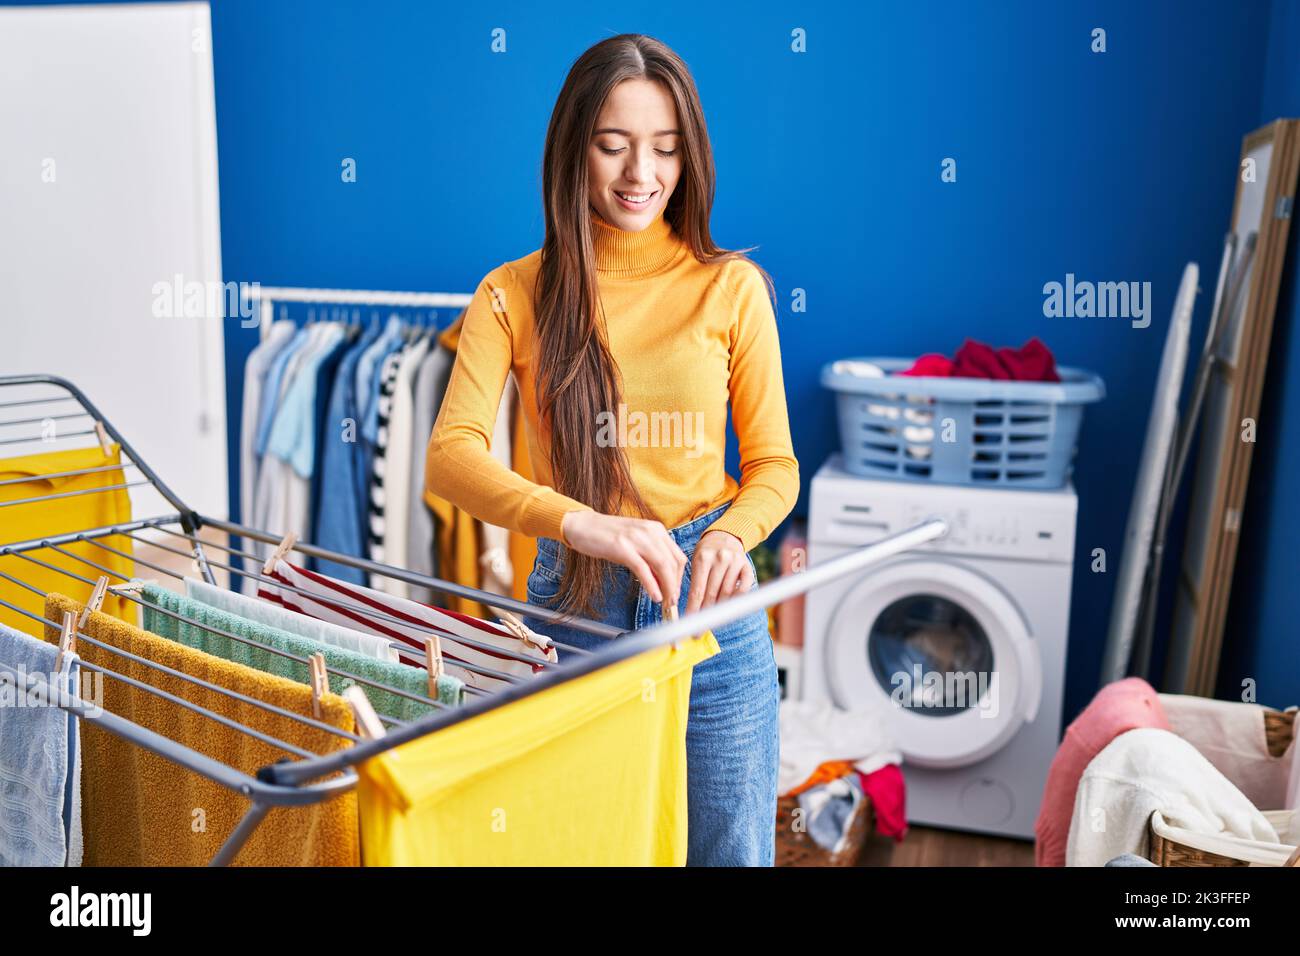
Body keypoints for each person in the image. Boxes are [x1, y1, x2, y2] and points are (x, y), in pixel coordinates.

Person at [425, 33, 799, 866]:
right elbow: (450, 455)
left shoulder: (730, 287)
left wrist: (734, 538)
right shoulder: (511, 292)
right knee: (579, 849)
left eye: (665, 148)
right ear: (573, 150)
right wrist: (579, 524)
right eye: (613, 145)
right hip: (575, 606)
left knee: (727, 854)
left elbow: (775, 465)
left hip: (711, 611)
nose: (641, 174)